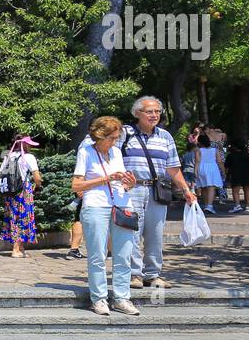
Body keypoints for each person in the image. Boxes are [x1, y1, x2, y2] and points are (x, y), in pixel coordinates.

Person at [120, 96, 199, 290]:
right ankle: (133, 274)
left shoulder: (165, 137)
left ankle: (152, 274)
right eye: (149, 111)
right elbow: (111, 159)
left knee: (155, 233)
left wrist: (186, 190)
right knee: (132, 232)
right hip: (131, 189)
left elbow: (172, 168)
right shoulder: (124, 134)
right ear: (137, 113)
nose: (154, 115)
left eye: (157, 111)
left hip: (157, 189)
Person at [73, 117, 141, 316]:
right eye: (111, 138)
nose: (114, 142)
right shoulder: (85, 152)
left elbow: (123, 183)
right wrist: (106, 179)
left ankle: (122, 298)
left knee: (124, 255)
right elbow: (76, 185)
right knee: (98, 256)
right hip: (96, 206)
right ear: (100, 135)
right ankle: (99, 298)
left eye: (116, 138)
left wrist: (130, 182)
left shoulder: (117, 152)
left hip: (121, 205)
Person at [0, 135, 43, 259]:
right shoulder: (29, 157)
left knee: (13, 217)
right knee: (22, 218)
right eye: (28, 144)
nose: (30, 146)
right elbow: (37, 177)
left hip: (10, 192)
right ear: (24, 145)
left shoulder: (8, 156)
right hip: (23, 191)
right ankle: (15, 249)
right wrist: (38, 184)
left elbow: (1, 172)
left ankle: (20, 248)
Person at [193, 134, 225, 214]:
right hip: (212, 168)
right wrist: (223, 171)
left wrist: (195, 171)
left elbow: (197, 161)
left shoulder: (198, 150)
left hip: (202, 168)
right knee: (211, 187)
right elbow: (219, 162)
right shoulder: (215, 150)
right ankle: (210, 205)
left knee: (203, 187)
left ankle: (206, 204)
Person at [224, 138, 249, 212]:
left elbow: (227, 167)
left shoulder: (230, 155)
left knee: (235, 190)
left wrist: (227, 175)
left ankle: (237, 205)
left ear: (234, 146)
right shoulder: (247, 155)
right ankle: (248, 206)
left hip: (235, 173)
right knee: (247, 190)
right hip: (247, 173)